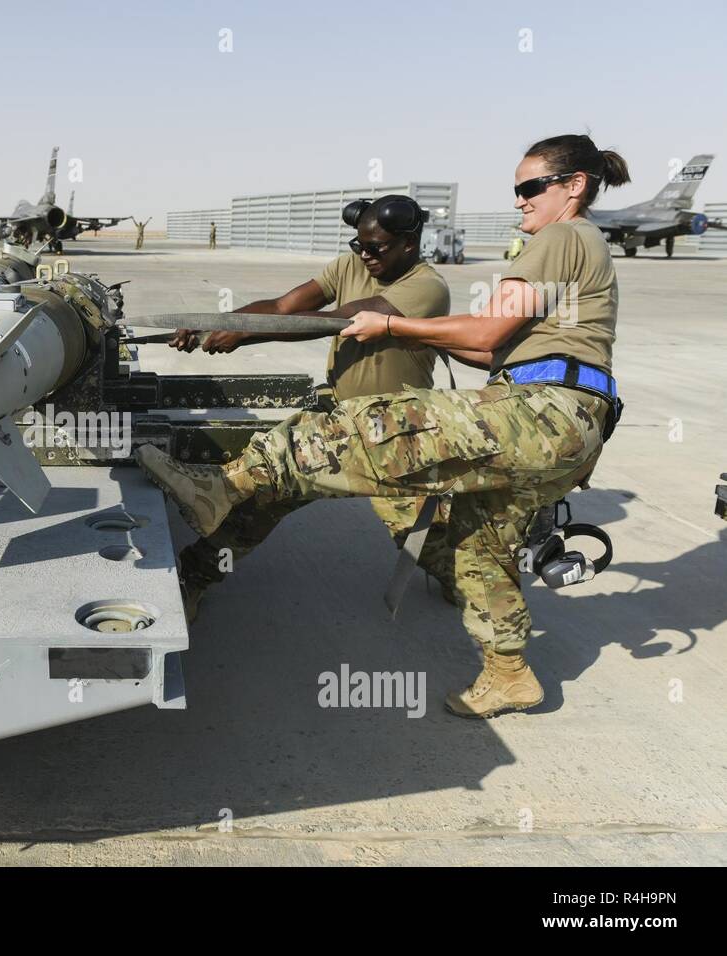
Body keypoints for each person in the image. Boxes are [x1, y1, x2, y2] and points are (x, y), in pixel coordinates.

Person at [136, 133, 629, 718]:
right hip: (560, 418)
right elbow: (486, 352)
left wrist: (396, 329)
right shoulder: (581, 244)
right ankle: (509, 673)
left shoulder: (561, 235)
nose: (520, 200)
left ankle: (220, 485)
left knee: (348, 430)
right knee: (480, 543)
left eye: (530, 188)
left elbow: (481, 334)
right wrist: (223, 323)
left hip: (544, 412)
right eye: (516, 190)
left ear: (573, 186)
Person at [167, 196, 455, 620]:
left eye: (376, 248)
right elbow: (286, 308)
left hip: (393, 427)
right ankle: (195, 575)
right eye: (360, 245)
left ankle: (463, 575)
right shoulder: (352, 264)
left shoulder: (427, 287)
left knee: (424, 534)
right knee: (270, 491)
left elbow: (336, 320)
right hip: (337, 413)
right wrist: (219, 320)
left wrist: (243, 334)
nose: (365, 256)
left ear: (409, 244)